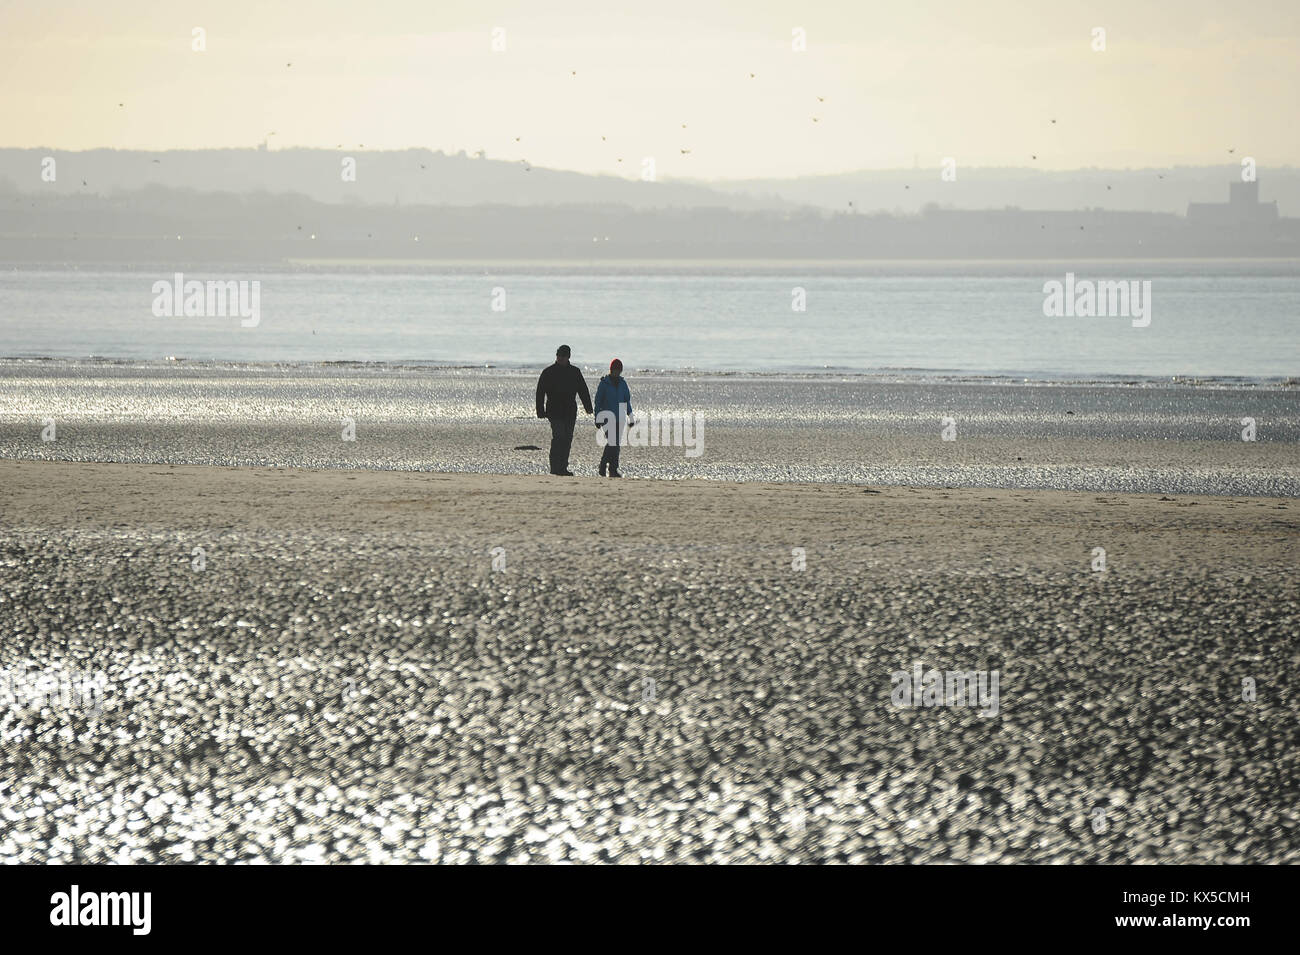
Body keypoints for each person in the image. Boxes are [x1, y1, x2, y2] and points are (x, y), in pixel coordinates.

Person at [535, 344, 592, 476]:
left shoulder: (575, 372)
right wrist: (540, 411)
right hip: (554, 412)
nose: (560, 358)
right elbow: (540, 392)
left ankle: (563, 467)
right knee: (559, 437)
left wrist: (588, 407)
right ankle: (555, 467)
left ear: (568, 357)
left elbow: (583, 390)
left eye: (563, 356)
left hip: (570, 411)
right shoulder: (548, 372)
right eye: (559, 356)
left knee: (567, 439)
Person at [594, 358, 633, 477]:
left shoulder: (623, 383)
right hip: (607, 418)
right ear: (611, 370)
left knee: (616, 446)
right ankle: (603, 464)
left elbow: (627, 401)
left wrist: (630, 416)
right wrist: (597, 417)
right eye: (615, 370)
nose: (617, 372)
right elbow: (598, 401)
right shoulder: (604, 383)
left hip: (620, 418)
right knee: (612, 442)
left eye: (618, 370)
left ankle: (613, 469)